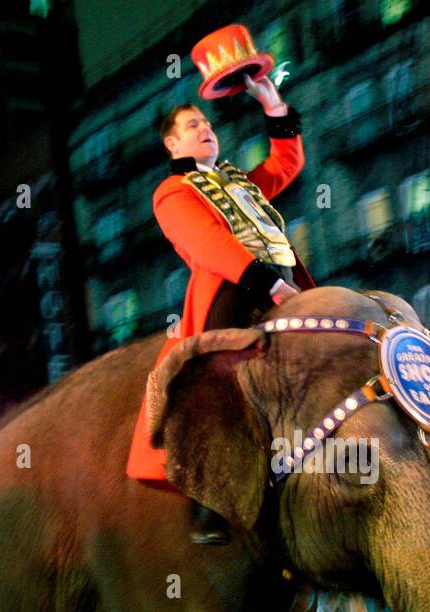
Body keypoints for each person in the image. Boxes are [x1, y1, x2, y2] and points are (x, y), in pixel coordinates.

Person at [126, 69, 315, 543]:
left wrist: (272, 104)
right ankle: (209, 504)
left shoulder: (238, 181)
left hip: (284, 281)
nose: (205, 128)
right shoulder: (172, 191)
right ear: (172, 144)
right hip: (236, 290)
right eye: (192, 125)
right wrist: (271, 286)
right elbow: (206, 242)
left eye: (207, 122)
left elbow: (286, 164)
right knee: (217, 384)